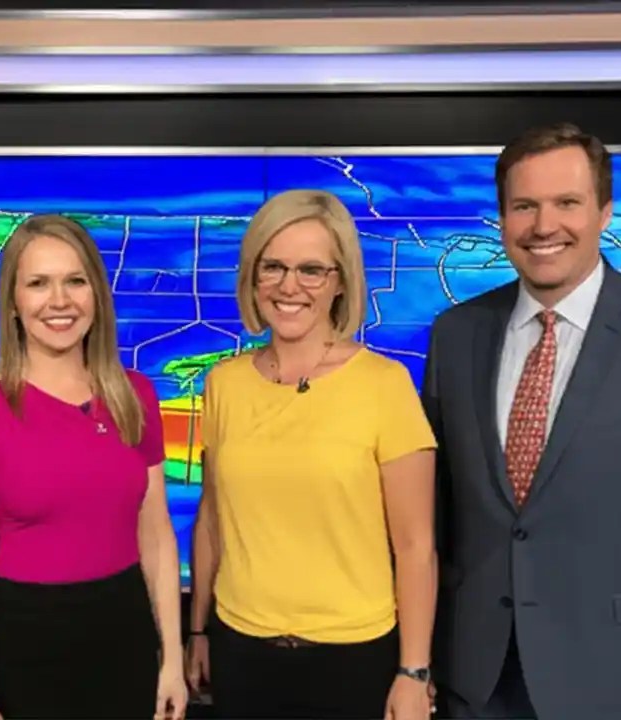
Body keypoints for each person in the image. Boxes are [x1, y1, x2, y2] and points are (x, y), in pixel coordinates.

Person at [422, 122, 621, 719]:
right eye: (525, 206)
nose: (544, 226)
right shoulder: (456, 334)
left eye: (566, 203)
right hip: (472, 681)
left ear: (604, 211)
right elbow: (439, 516)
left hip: (620, 681)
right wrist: (418, 662)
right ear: (502, 218)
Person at [186, 189, 439, 719]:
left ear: (340, 280)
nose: (288, 286)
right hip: (241, 653)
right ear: (252, 277)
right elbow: (210, 519)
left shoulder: (384, 385)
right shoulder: (224, 385)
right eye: (272, 267)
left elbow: (416, 546)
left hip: (355, 660)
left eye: (311, 270)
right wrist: (198, 630)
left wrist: (413, 671)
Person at [0, 214, 188, 720]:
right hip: (26, 645)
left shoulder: (135, 396)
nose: (59, 301)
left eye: (75, 281)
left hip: (125, 639)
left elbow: (157, 534)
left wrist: (173, 658)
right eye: (38, 284)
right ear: (12, 302)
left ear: (96, 292)